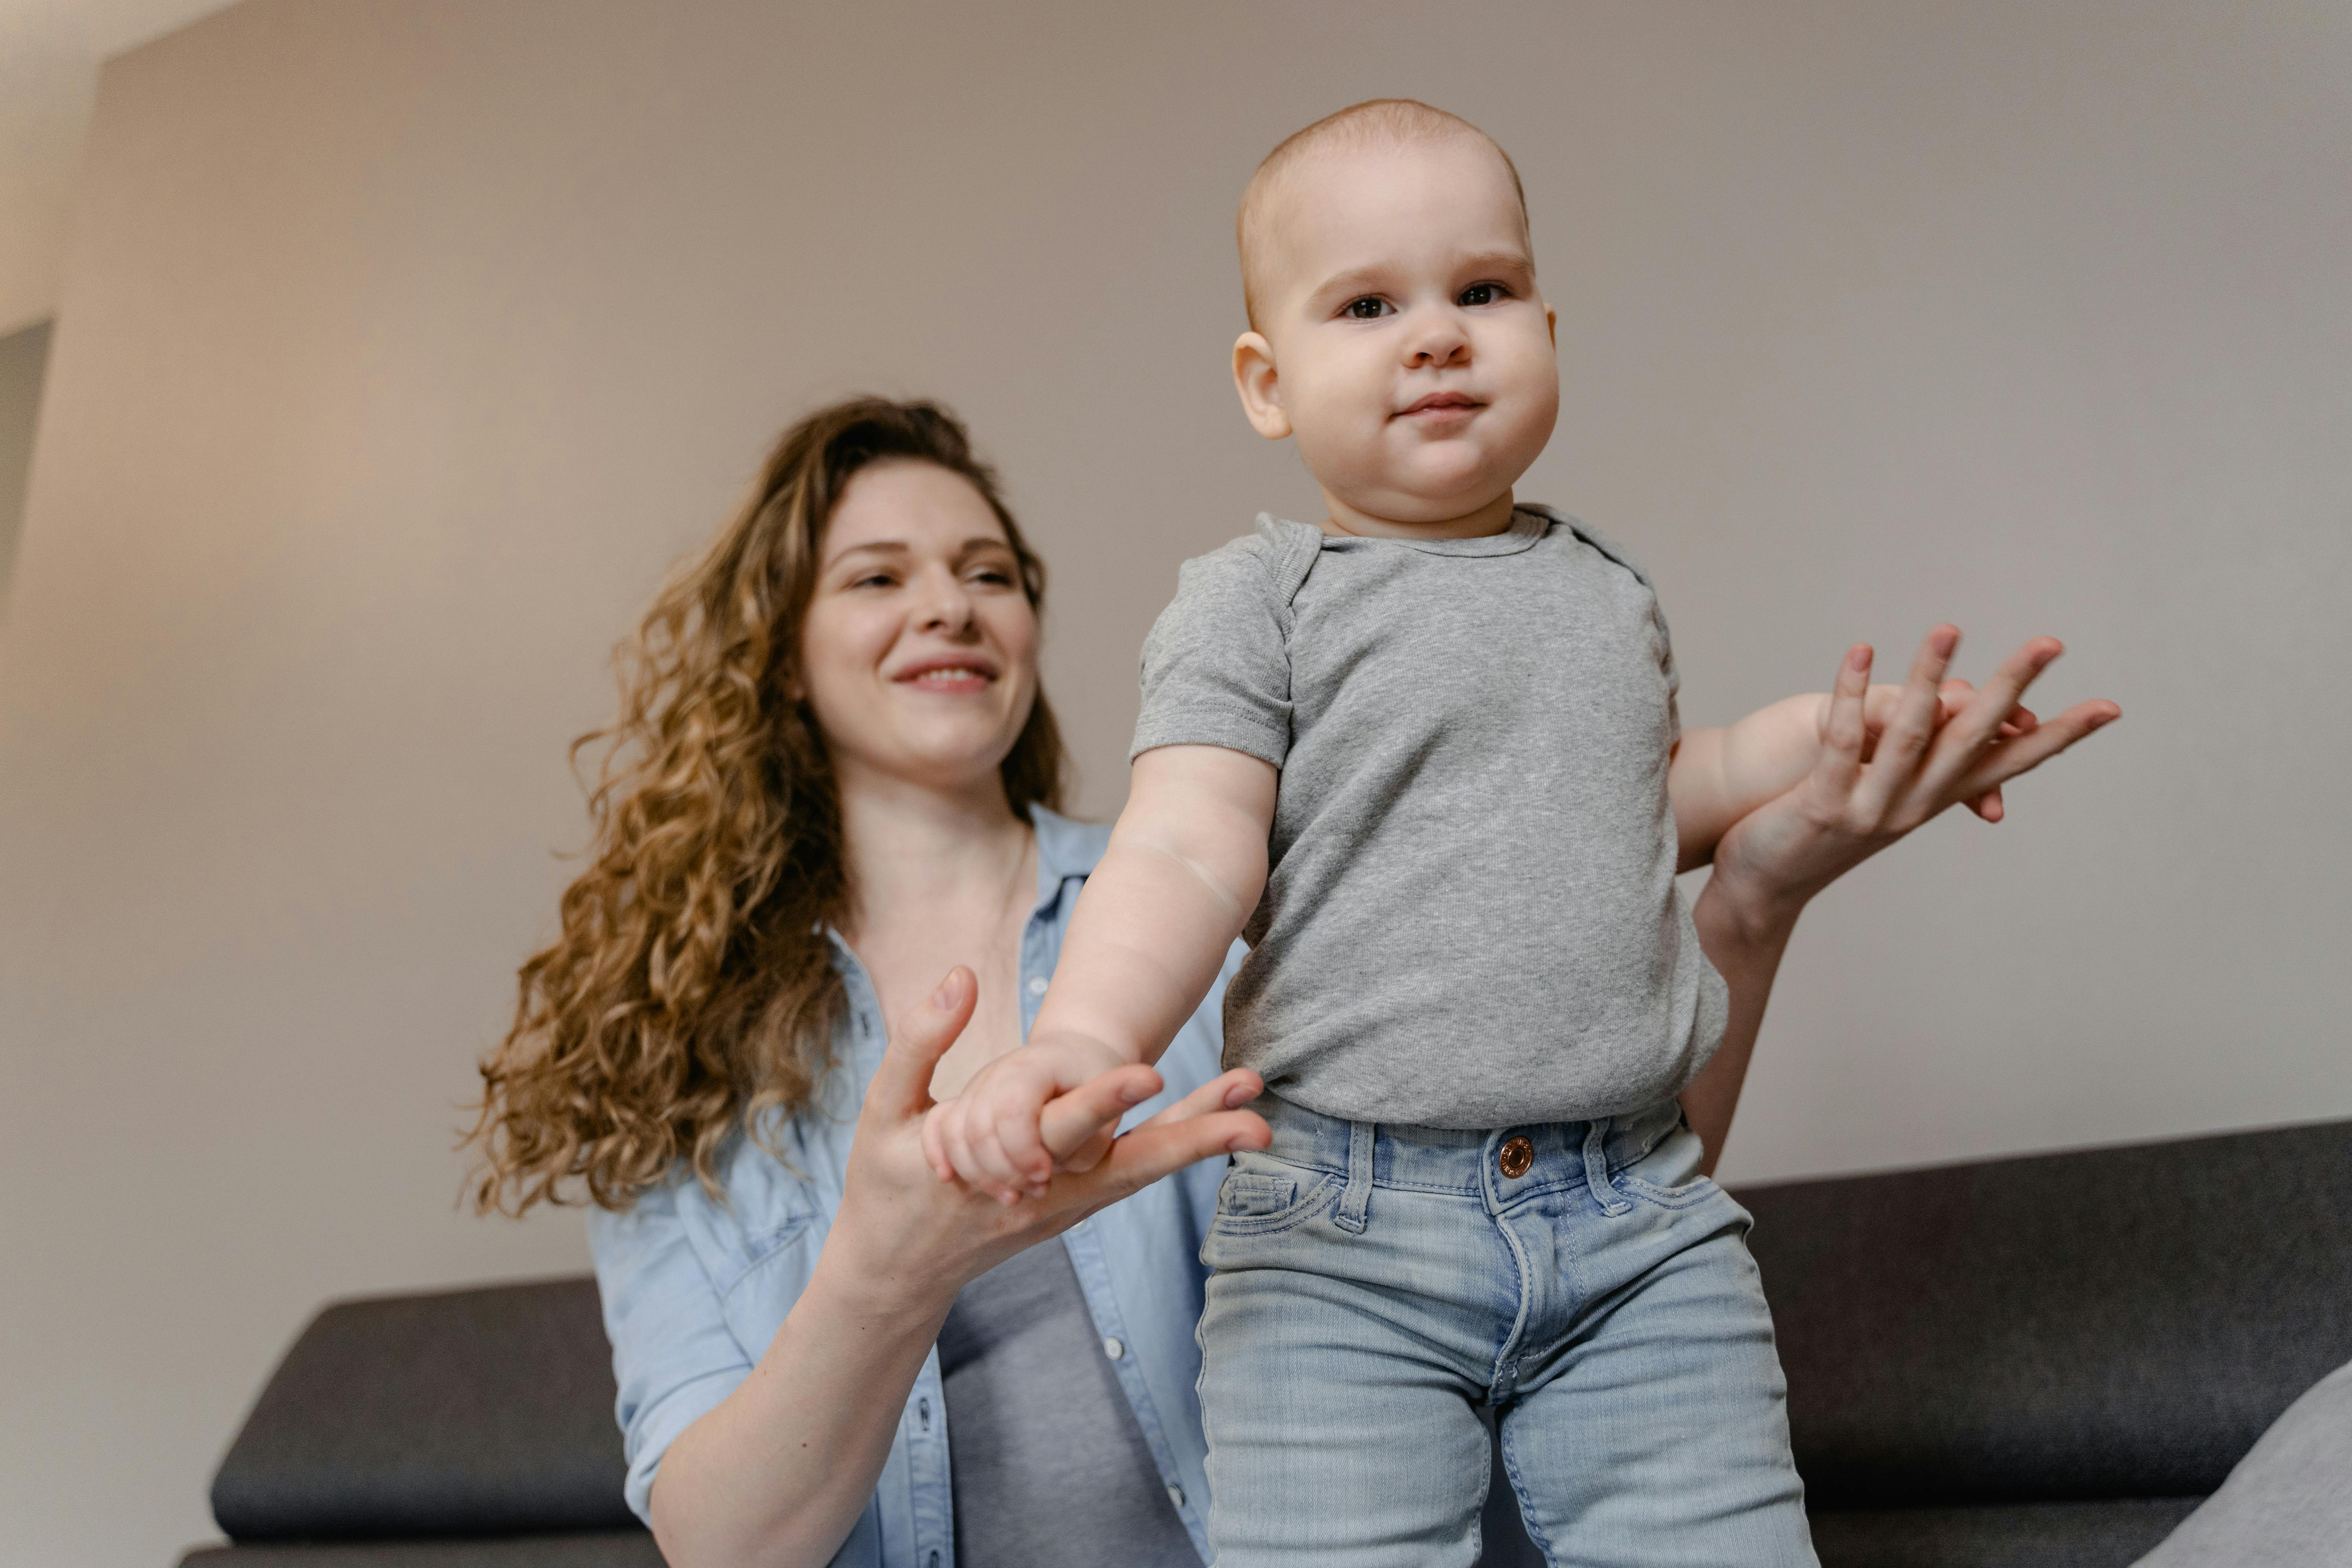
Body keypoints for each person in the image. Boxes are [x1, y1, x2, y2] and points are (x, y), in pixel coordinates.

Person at [469, 392, 2104, 1568]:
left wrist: (1746, 908)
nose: (948, 605)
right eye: (876, 574)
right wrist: (888, 1268)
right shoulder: (685, 1059)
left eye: (985, 567)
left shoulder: (1217, 890)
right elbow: (723, 1543)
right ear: (778, 650)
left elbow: (1568, 1192)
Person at [923, 100, 2120, 1568]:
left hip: (1637, 1216)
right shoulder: (1257, 600)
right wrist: (1076, 1035)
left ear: (1546, 327)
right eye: (1366, 305)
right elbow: (1183, 846)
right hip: (1338, 1240)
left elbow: (1650, 791)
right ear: (1266, 381)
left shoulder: (1604, 587)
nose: (1435, 335)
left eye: (1480, 292)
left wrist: (1851, 737)